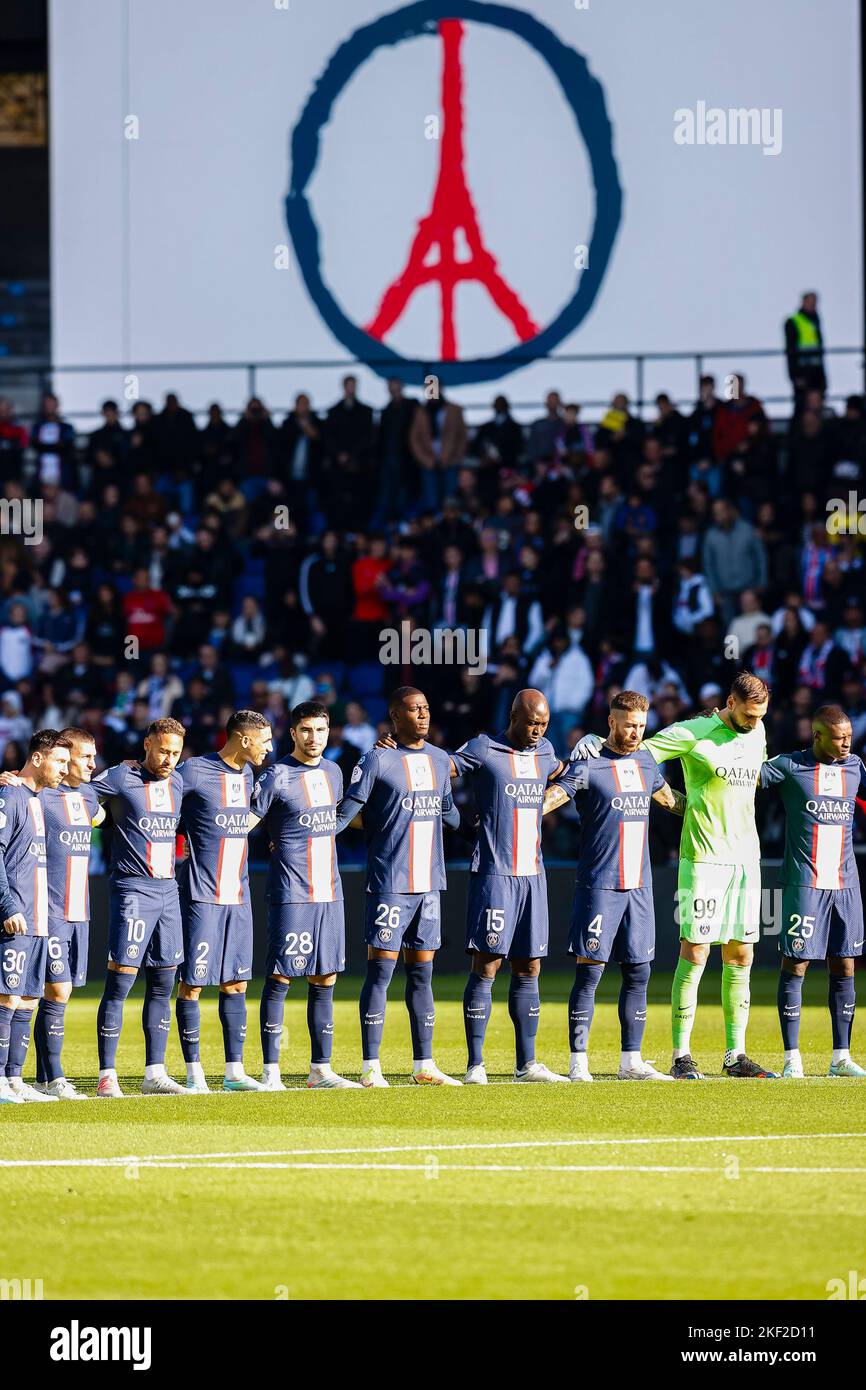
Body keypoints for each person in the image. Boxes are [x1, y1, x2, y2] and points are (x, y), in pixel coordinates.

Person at [572, 671, 779, 1079]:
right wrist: (597, 743)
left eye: (761, 716)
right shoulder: (692, 731)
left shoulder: (757, 732)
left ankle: (735, 1055)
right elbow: (637, 751)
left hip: (746, 859)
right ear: (731, 703)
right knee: (696, 952)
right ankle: (681, 1056)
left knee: (741, 955)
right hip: (702, 858)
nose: (755, 723)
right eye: (749, 715)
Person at [543, 691, 684, 1081]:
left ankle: (631, 1061)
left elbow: (671, 801)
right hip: (600, 884)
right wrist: (520, 809)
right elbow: (556, 796)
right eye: (629, 725)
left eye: (641, 726)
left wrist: (719, 810)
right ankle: (578, 1062)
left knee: (639, 971)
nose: (635, 732)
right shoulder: (589, 764)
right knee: (590, 973)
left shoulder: (646, 762)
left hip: (639, 886)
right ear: (611, 721)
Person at [334, 687, 461, 1087]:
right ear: (395, 716)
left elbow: (448, 813)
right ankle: (371, 1066)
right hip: (390, 882)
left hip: (429, 885)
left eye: (425, 707)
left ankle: (424, 1064)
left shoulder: (441, 760)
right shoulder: (377, 759)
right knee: (381, 973)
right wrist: (303, 835)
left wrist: (486, 822)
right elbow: (346, 813)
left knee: (423, 975)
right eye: (413, 709)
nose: (422, 715)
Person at [456, 690, 574, 1084]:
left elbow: (562, 770)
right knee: (487, 964)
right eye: (531, 723)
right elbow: (439, 770)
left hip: (533, 876)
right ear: (513, 717)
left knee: (530, 965)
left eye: (543, 724)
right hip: (494, 875)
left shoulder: (545, 753)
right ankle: (475, 1064)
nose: (537, 731)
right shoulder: (484, 748)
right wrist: (459, 823)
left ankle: (527, 1064)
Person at [252, 702, 360, 1089]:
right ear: (293, 733)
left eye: (321, 730)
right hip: (291, 891)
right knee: (281, 976)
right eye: (306, 731)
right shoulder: (276, 775)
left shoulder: (333, 772)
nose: (314, 738)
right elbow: (246, 821)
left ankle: (320, 1069)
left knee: (325, 977)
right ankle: (271, 1070)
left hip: (329, 891)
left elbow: (333, 821)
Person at [760, 706, 866, 1077]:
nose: (847, 743)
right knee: (797, 964)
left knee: (845, 964)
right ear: (817, 736)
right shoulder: (790, 766)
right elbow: (746, 780)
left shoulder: (855, 768)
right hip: (805, 883)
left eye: (849, 737)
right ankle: (793, 1058)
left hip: (846, 885)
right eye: (840, 738)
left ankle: (841, 1057)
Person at [174, 710, 274, 1093]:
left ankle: (233, 1071)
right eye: (264, 740)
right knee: (194, 984)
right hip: (202, 895)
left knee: (235, 984)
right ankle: (194, 1072)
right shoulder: (195, 771)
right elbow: (158, 795)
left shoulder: (249, 775)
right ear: (244, 739)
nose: (269, 747)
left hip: (239, 897)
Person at [92, 719, 187, 1098]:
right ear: (148, 744)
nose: (169, 759)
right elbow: (78, 794)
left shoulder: (180, 781)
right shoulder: (120, 776)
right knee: (121, 982)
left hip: (169, 892)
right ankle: (107, 1075)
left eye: (176, 753)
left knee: (164, 984)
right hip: (133, 889)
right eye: (163, 750)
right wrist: (101, 820)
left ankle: (155, 1072)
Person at [0, 729, 70, 1103]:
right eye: (60, 761)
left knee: (27, 997)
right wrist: (7, 905)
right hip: (16, 915)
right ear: (39, 758)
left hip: (38, 917)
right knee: (6, 997)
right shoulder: (10, 795)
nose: (66, 768)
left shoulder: (38, 799)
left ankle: (14, 1080)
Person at [785, 291, 826, 404]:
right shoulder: (793, 321)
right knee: (802, 405)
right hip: (802, 371)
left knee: (817, 403)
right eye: (811, 302)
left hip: (816, 371)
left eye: (815, 302)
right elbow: (790, 351)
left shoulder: (815, 320)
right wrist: (795, 375)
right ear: (803, 302)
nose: (813, 305)